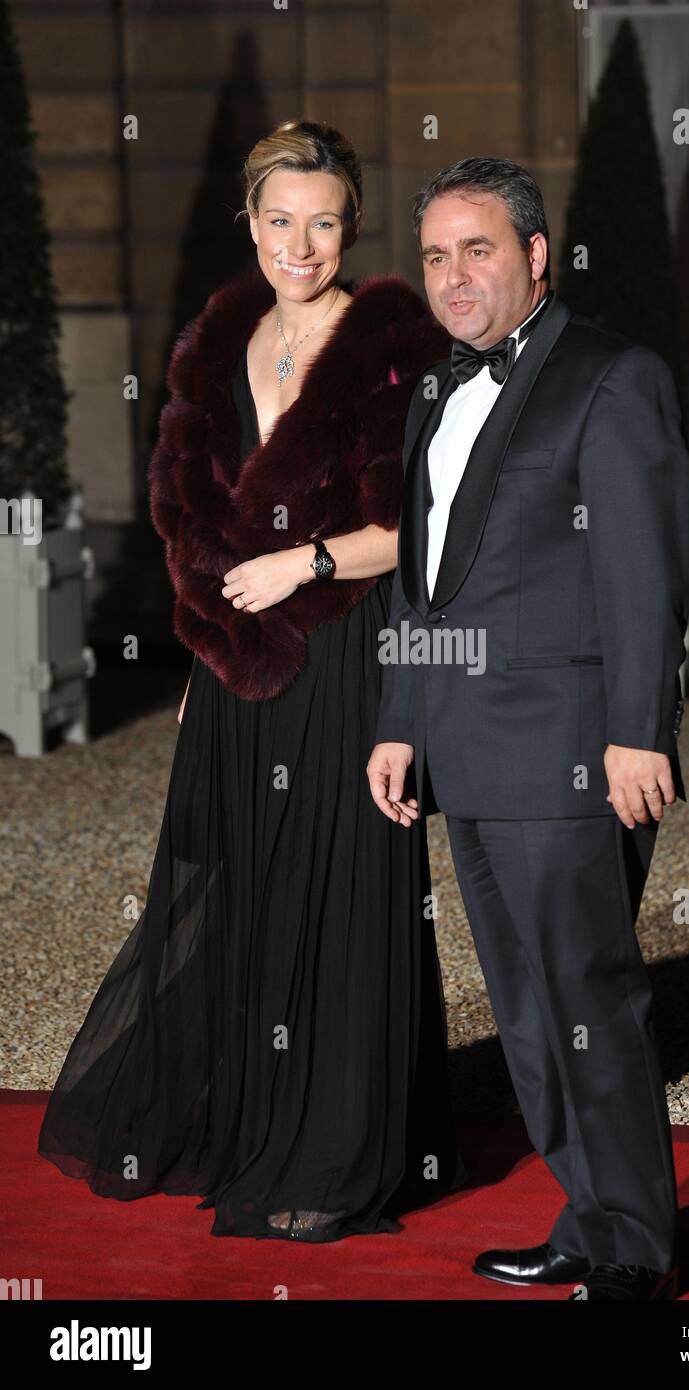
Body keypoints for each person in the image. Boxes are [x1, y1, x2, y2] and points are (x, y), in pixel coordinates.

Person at [38, 120, 466, 1242]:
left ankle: (334, 1149)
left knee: (344, 890)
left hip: (345, 647)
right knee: (240, 891)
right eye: (280, 220)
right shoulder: (218, 346)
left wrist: (306, 561)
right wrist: (201, 649)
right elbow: (192, 524)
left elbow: (413, 527)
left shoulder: (390, 347)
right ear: (251, 222)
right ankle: (249, 1121)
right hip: (239, 662)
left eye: (322, 221)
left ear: (351, 225)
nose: (300, 242)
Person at [367, 156, 689, 1299]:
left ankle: (638, 1248)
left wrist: (638, 730)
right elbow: (422, 580)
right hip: (463, 751)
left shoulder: (613, 378)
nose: (454, 277)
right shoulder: (430, 388)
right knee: (524, 1010)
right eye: (437, 255)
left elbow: (644, 571)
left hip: (571, 754)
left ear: (535, 256)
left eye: (479, 250)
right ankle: (588, 1213)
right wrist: (399, 719)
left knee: (589, 999)